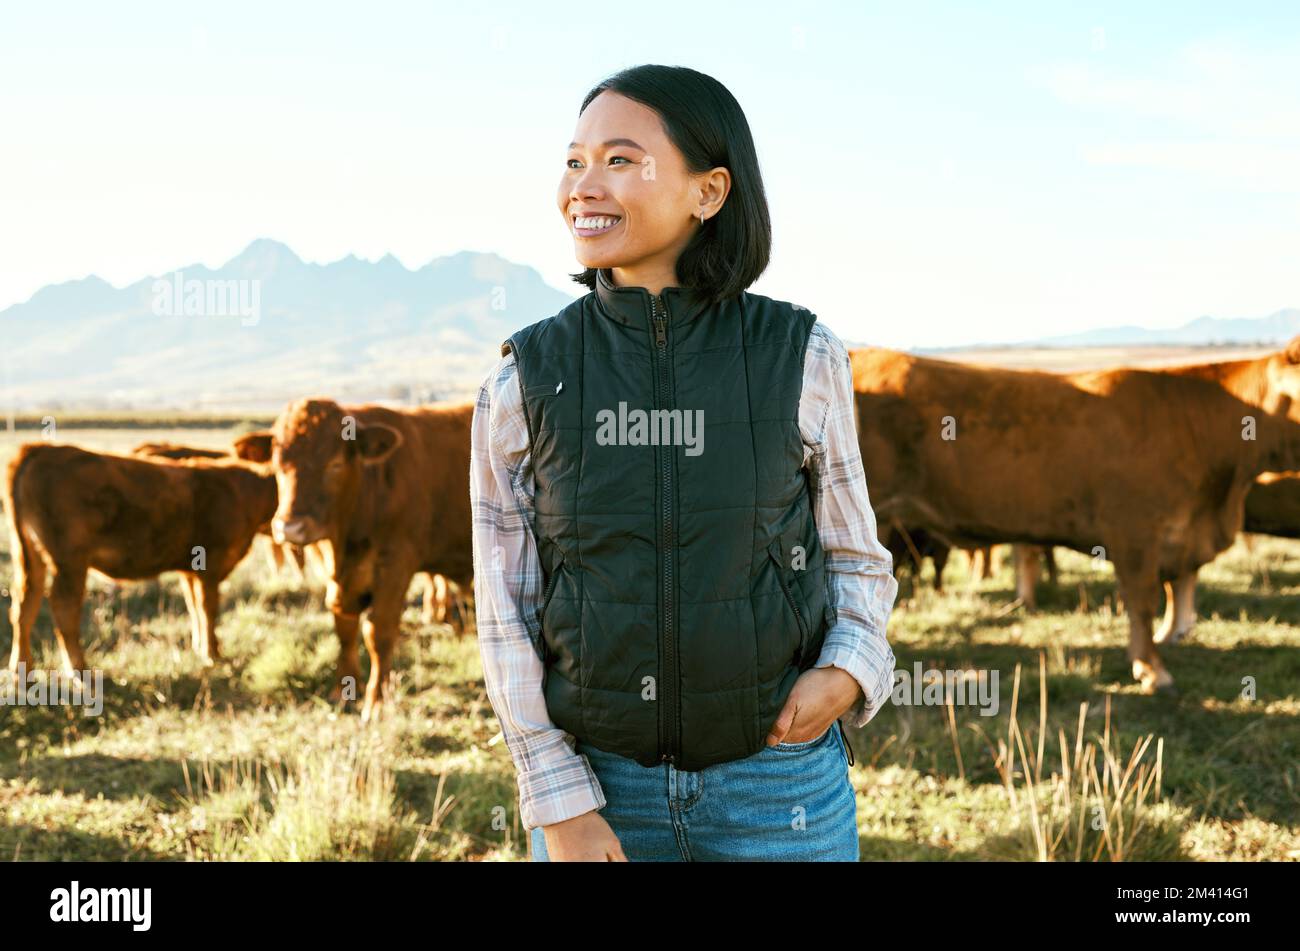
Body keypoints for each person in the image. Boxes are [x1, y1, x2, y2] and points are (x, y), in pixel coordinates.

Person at [470, 64, 898, 862]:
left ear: (709, 192)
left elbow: (856, 558)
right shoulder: (523, 377)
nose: (583, 186)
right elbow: (506, 609)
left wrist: (849, 670)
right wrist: (557, 801)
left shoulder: (800, 354)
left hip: (779, 788)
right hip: (600, 794)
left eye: (620, 159)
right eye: (574, 161)